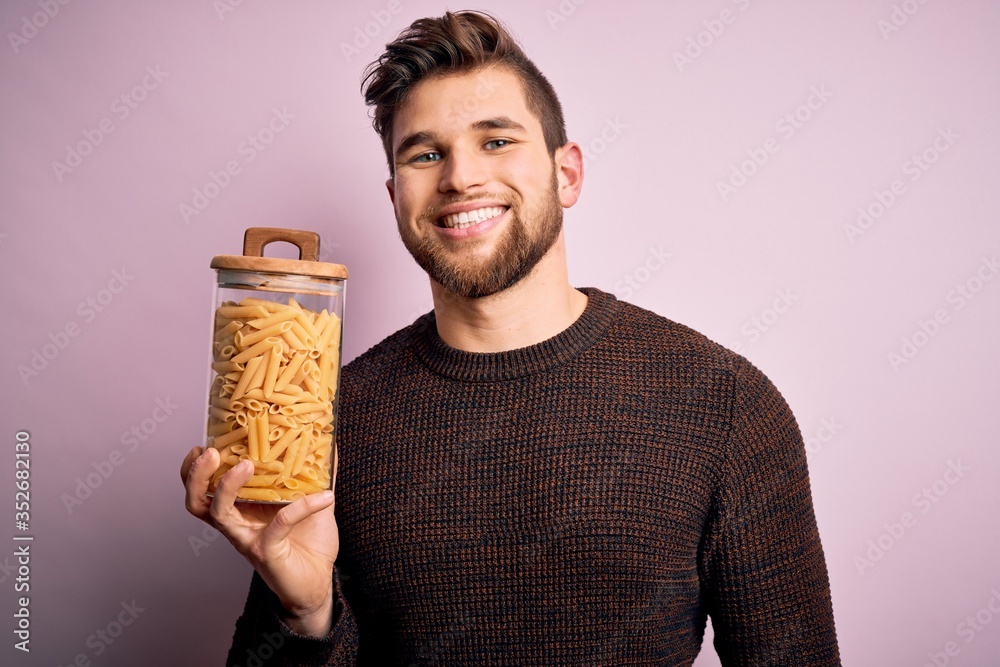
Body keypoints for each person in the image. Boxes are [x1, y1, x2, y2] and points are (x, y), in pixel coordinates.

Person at [182, 10, 842, 666]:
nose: (461, 177)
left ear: (567, 173)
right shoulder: (329, 420)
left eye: (496, 141)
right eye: (426, 152)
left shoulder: (724, 402)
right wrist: (305, 613)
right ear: (395, 197)